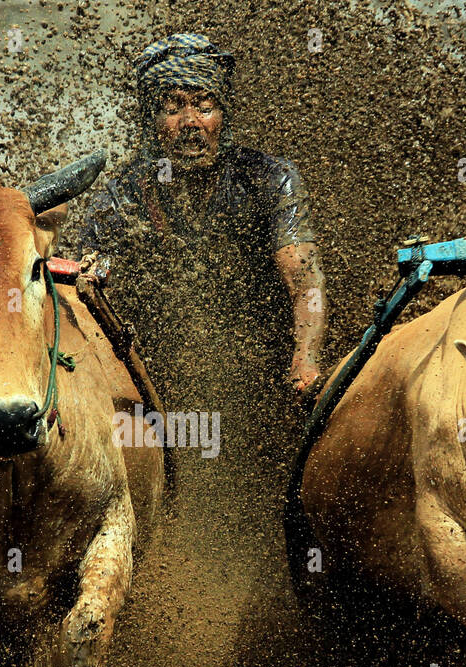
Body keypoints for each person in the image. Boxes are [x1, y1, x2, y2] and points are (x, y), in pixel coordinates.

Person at [77, 33, 328, 552]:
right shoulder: (120, 196)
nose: (191, 123)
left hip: (264, 379)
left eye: (205, 104)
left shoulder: (269, 179)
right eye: (172, 108)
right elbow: (83, 290)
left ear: (224, 112)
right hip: (156, 386)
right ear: (151, 121)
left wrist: (306, 359)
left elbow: (305, 284)